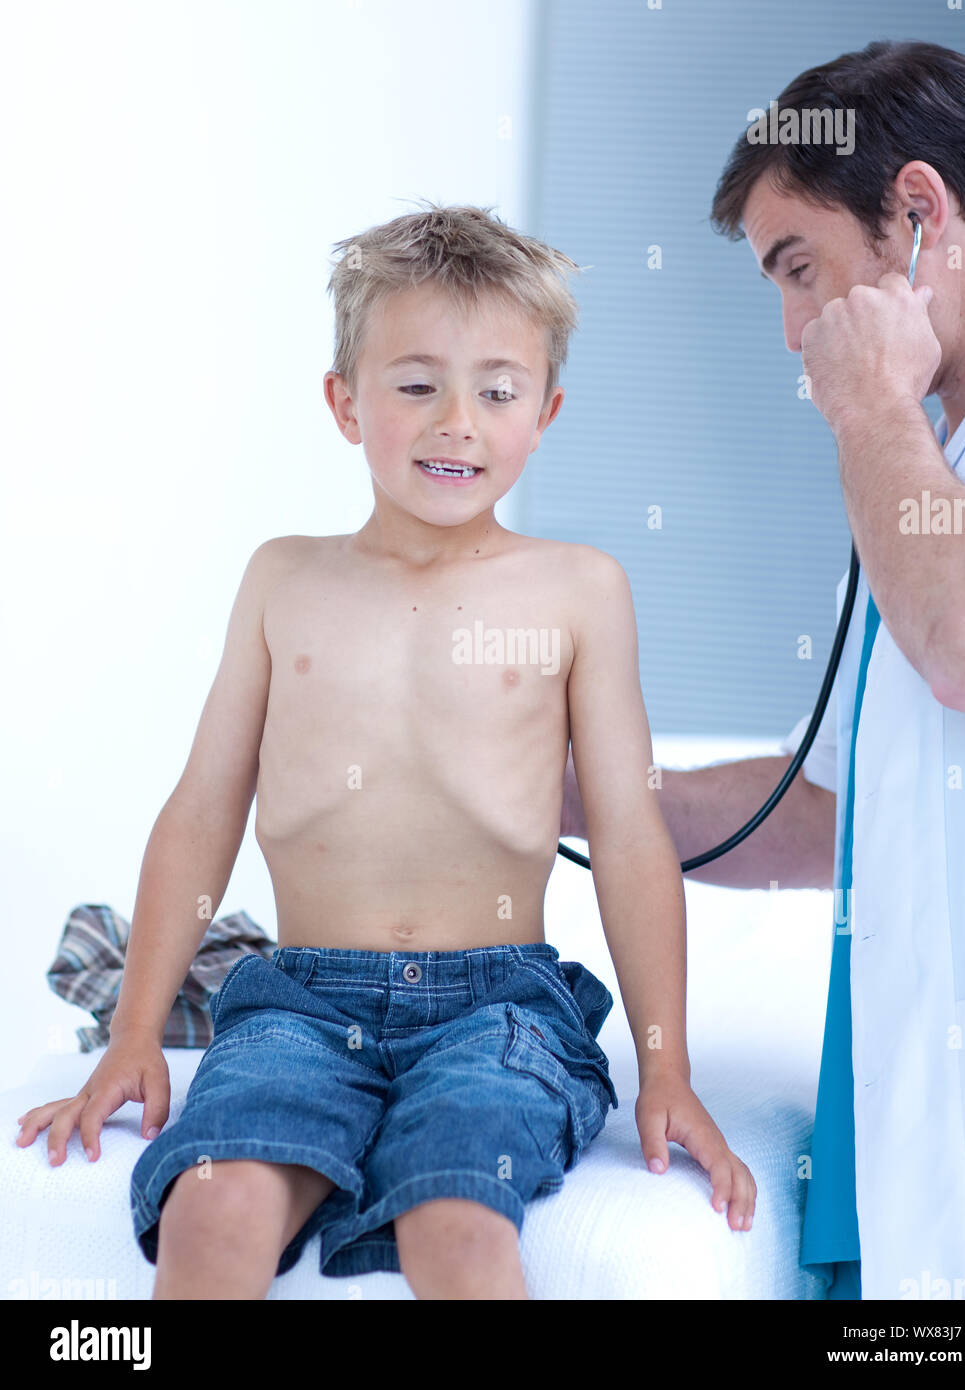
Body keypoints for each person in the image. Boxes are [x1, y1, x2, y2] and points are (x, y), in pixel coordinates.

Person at [15, 202, 756, 1300]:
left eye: (497, 391)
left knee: (455, 1213)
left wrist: (667, 1068)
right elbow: (204, 807)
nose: (457, 421)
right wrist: (133, 1033)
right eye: (416, 385)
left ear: (544, 412)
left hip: (499, 1007)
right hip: (300, 1004)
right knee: (212, 1204)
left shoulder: (579, 592)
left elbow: (630, 838)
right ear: (343, 402)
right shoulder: (285, 580)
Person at [565, 39, 965, 1302]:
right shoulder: (921, 471)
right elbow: (817, 812)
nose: (792, 330)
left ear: (919, 214)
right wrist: (552, 792)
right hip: (928, 1169)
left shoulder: (898, 446)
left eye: (800, 269)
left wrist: (872, 404)